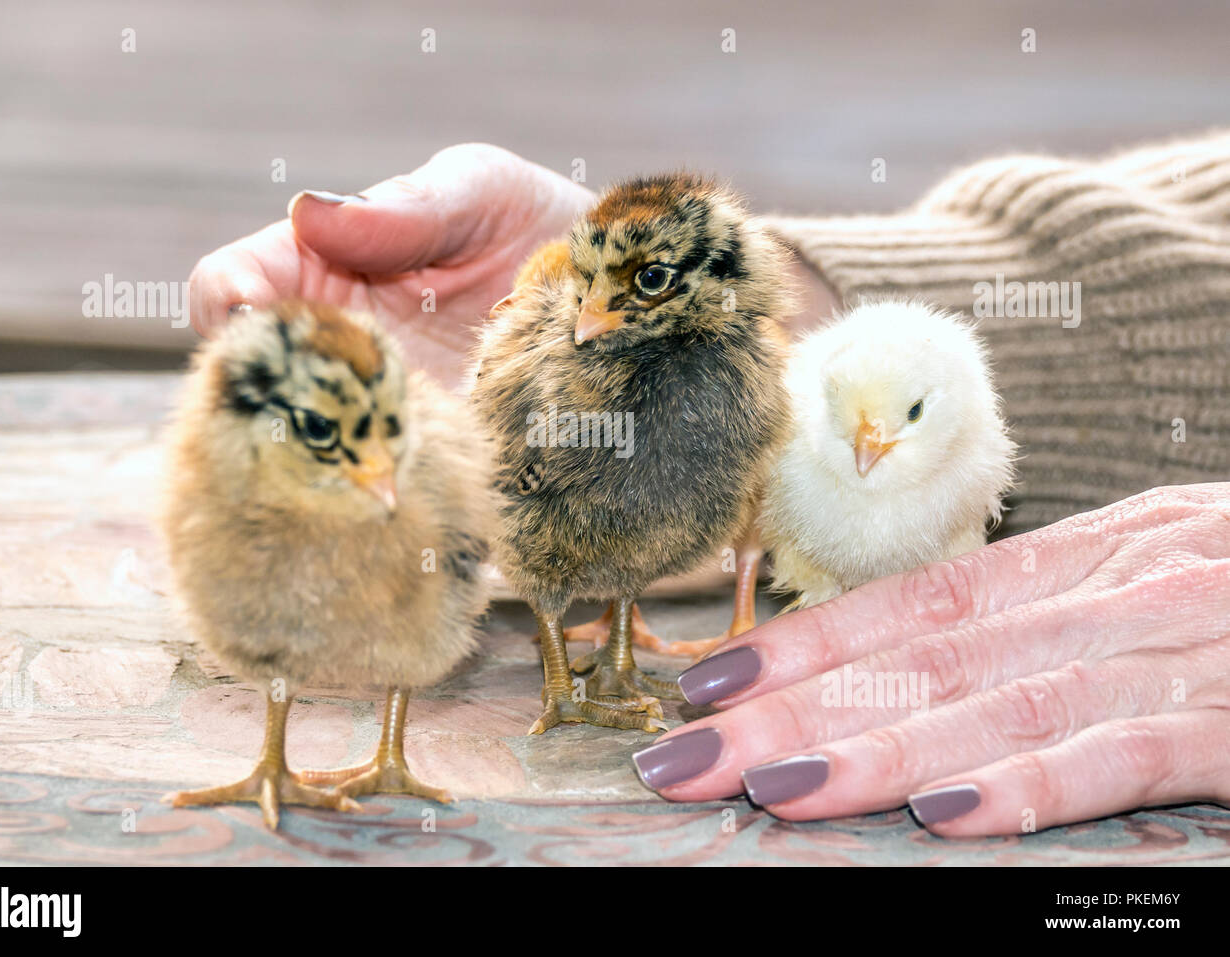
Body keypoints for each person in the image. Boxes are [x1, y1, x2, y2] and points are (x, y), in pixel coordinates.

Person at [187, 136, 1230, 837]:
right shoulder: (607, 356)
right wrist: (845, 311)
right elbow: (542, 496)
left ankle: (592, 673)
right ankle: (567, 680)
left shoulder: (726, 386)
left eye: (629, 290)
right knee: (566, 555)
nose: (588, 315)